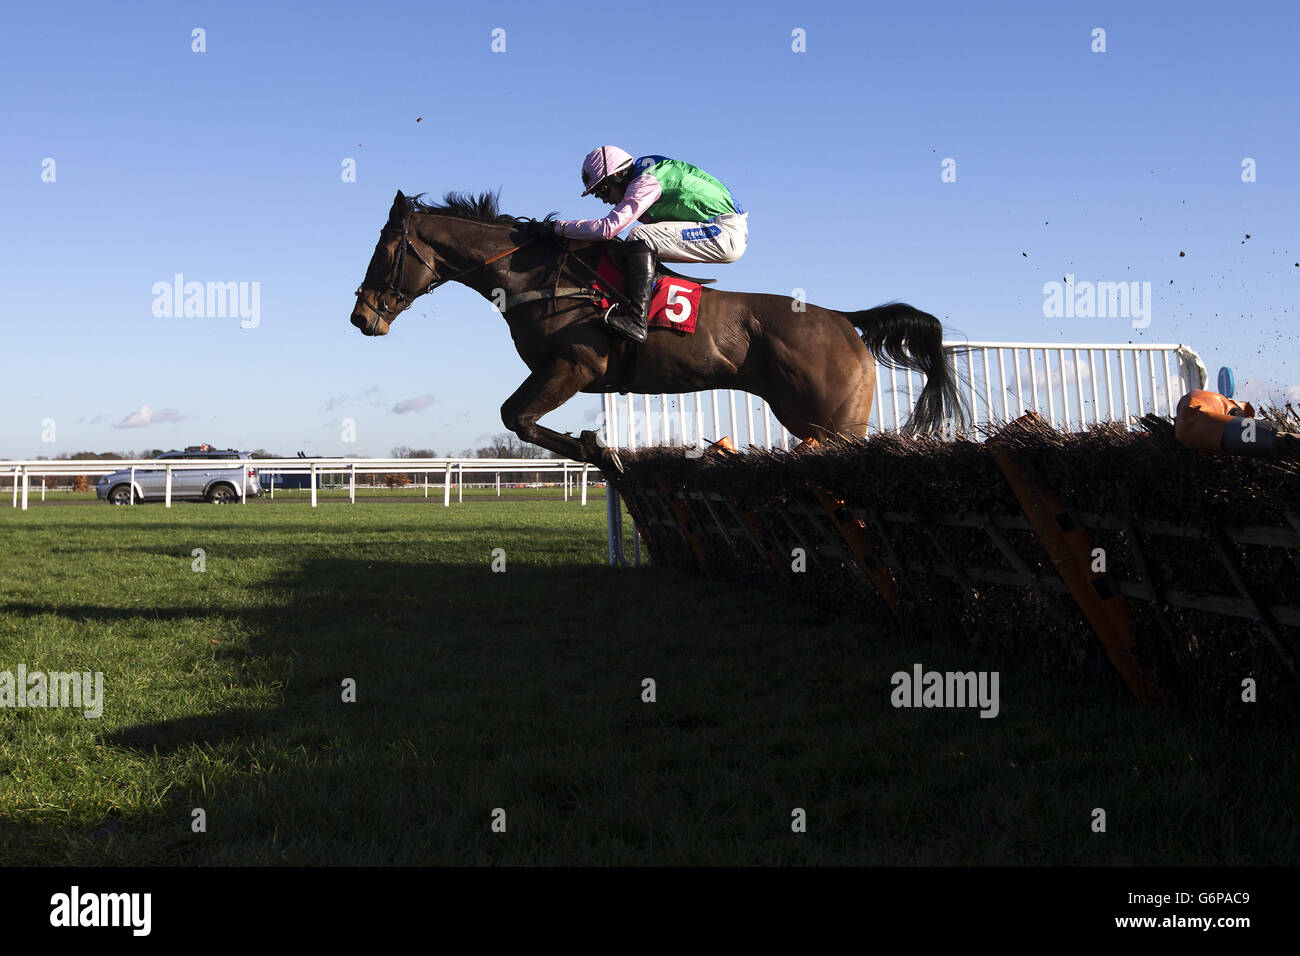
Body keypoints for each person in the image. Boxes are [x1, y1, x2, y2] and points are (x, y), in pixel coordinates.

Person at [533, 146, 747, 343]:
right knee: (635, 242)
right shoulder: (647, 173)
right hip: (722, 227)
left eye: (603, 190)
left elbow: (608, 228)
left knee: (638, 236)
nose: (603, 199)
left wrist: (557, 228)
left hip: (724, 233)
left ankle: (637, 319)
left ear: (619, 175)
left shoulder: (645, 182)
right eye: (597, 194)